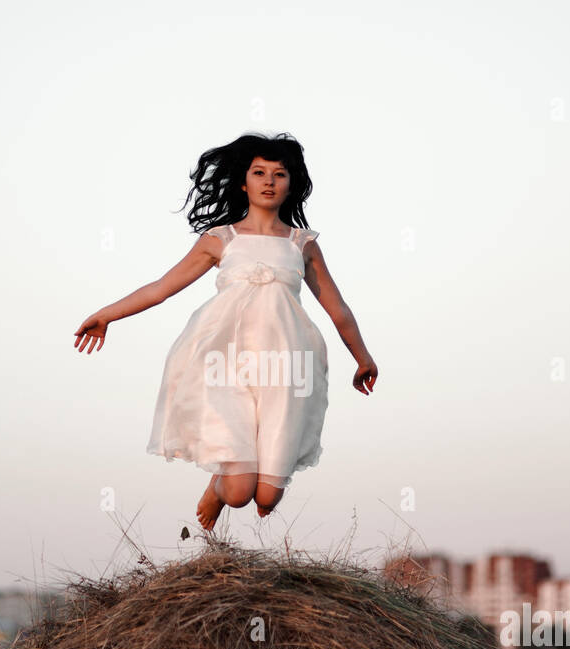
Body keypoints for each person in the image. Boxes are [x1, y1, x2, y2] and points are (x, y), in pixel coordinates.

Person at [74, 133, 378, 530]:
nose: (269, 181)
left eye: (279, 174)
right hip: (226, 362)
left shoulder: (301, 244)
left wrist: (362, 357)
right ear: (243, 182)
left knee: (266, 500)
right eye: (259, 173)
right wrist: (106, 315)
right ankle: (218, 489)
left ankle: (250, 483)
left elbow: (337, 308)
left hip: (287, 365)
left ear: (291, 184)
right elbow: (160, 288)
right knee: (238, 494)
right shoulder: (221, 239)